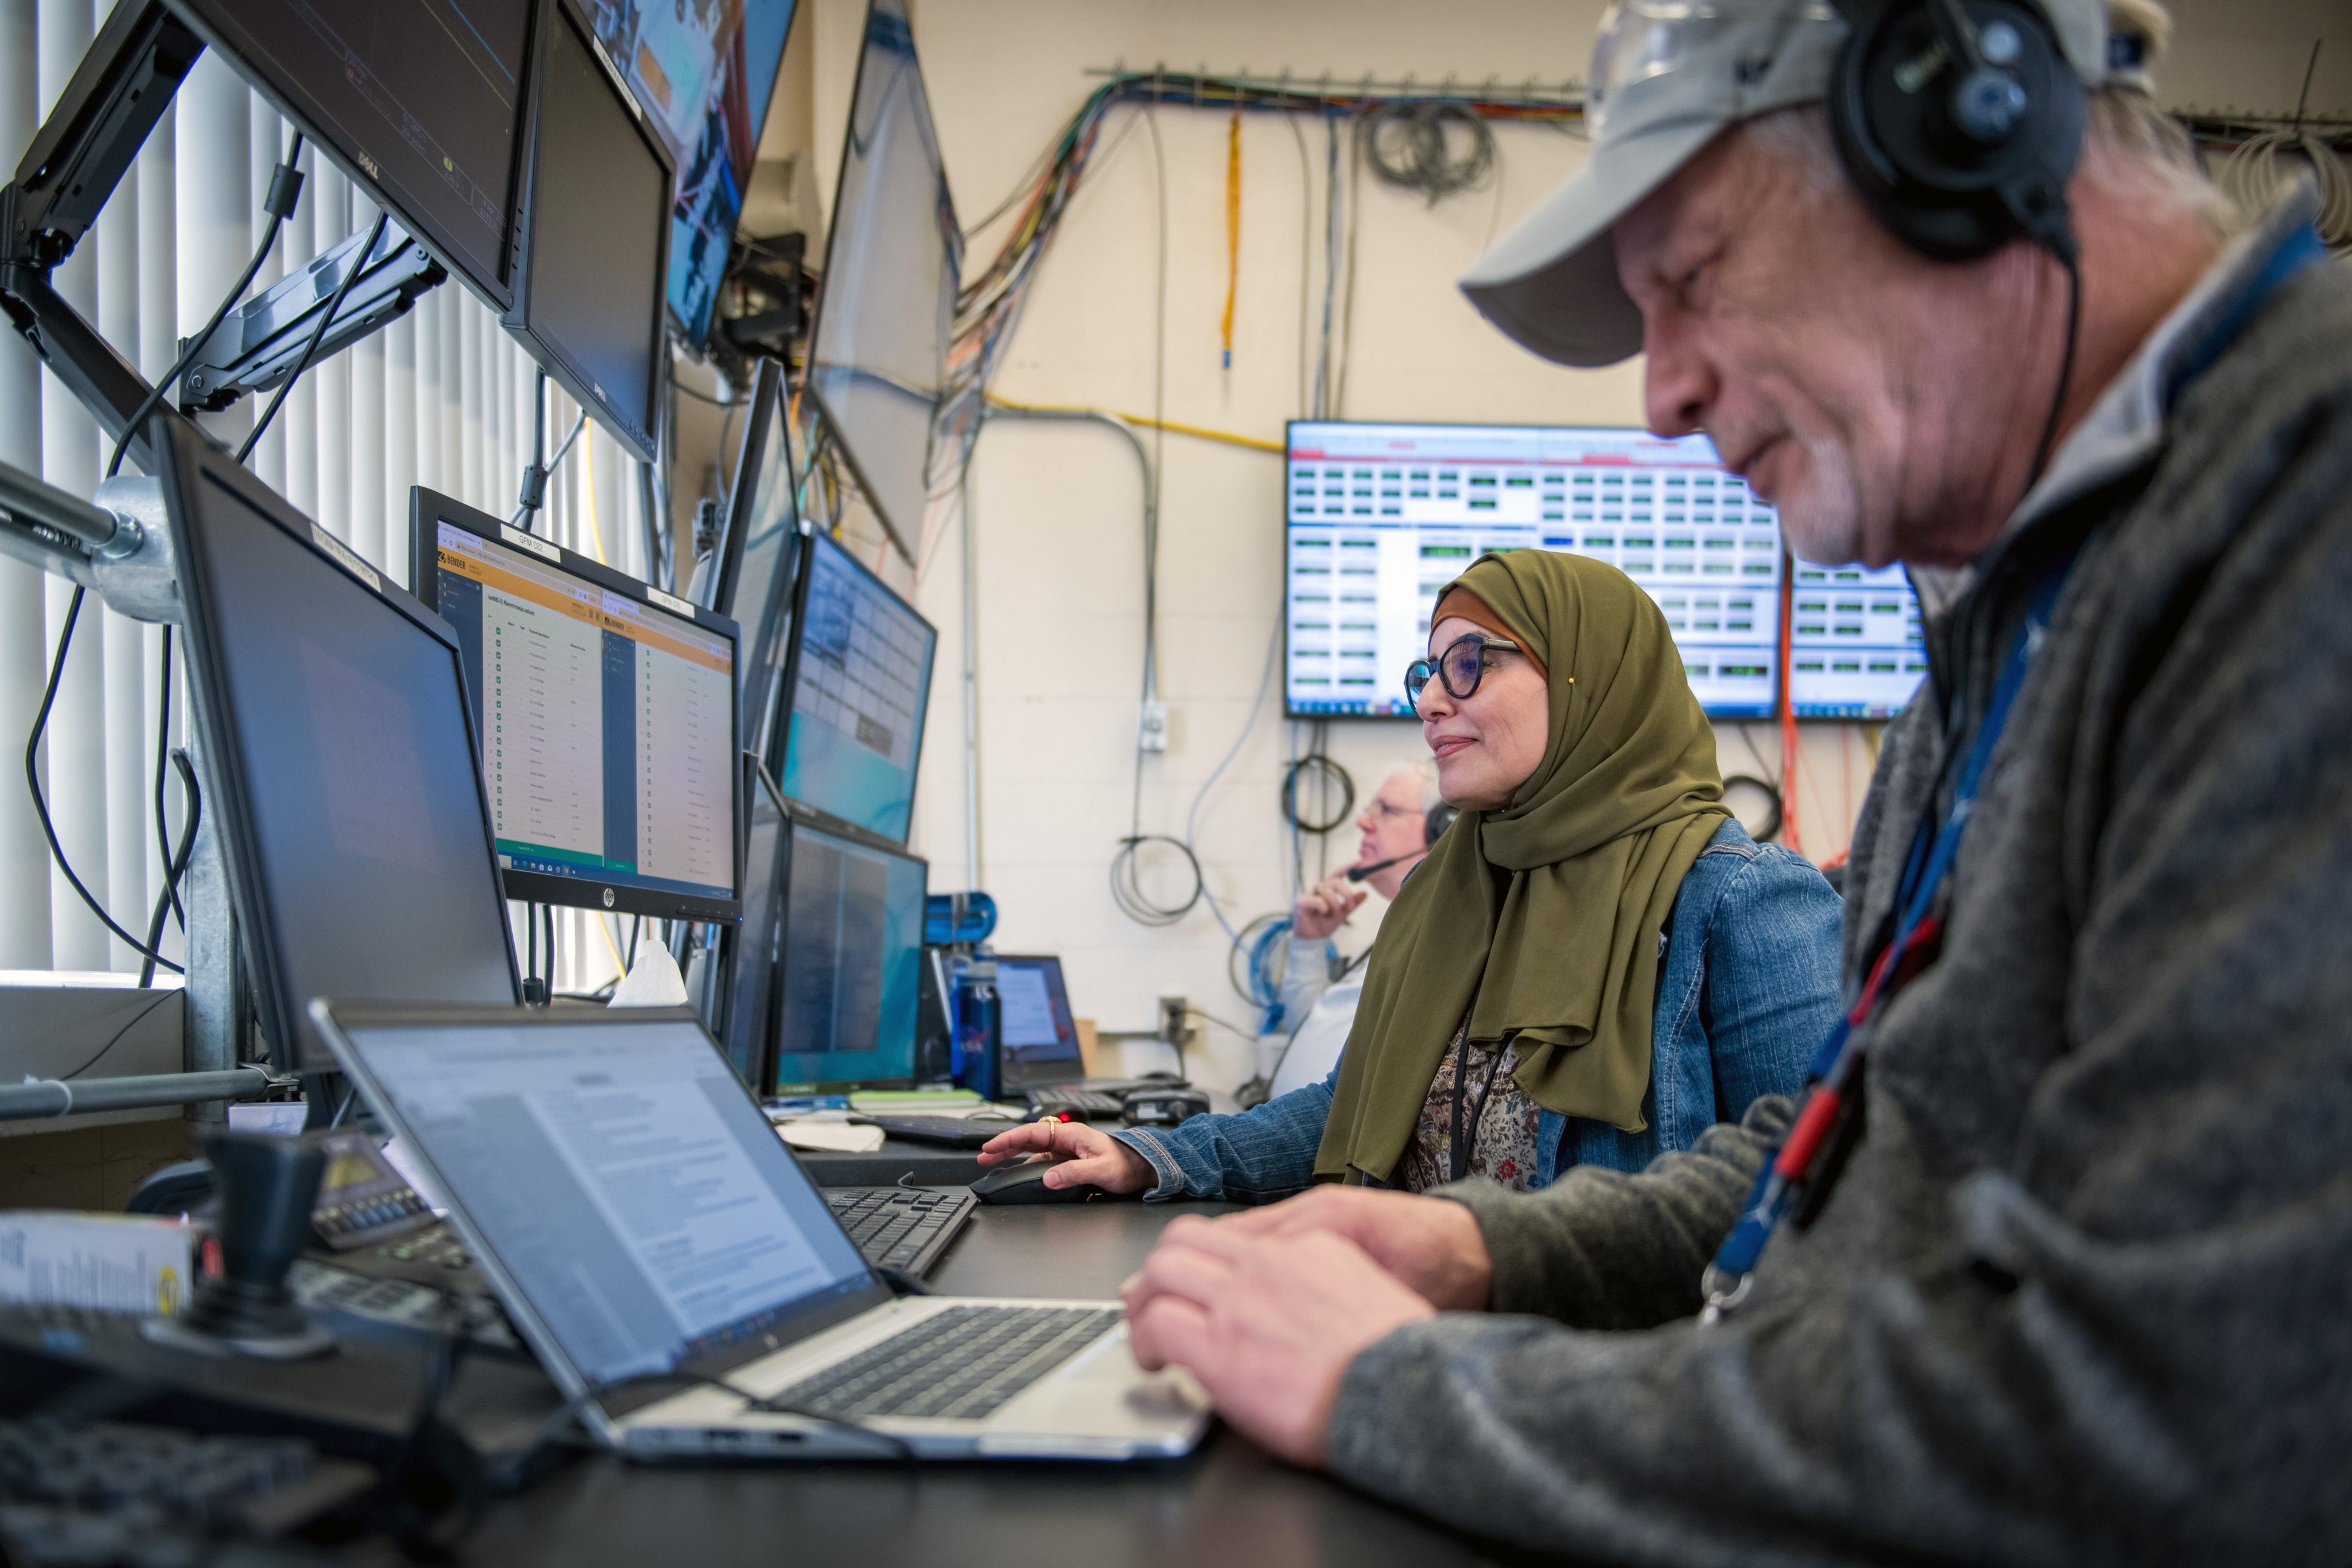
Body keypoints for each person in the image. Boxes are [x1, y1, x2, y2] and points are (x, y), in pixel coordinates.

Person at [1117, 0, 2352, 1559]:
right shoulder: (2012, 632)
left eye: (1691, 281)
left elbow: (2172, 1417)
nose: (1663, 394)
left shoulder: (2298, 514)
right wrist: (1481, 1245)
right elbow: (1831, 1166)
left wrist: (1396, 1383)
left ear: (1961, 123)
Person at [979, 547, 1844, 1203]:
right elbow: (1356, 1105)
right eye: (1428, 673)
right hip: (1421, 1344)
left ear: (1587, 680)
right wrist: (1153, 1156)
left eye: (1470, 663)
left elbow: (1823, 1197)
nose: (1431, 699)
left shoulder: (1740, 898)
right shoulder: (1451, 890)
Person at [1262, 762, 1448, 1102]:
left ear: (1442, 829)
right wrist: (1309, 942)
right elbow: (1312, 1027)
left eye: (1387, 811)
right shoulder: (1399, 931)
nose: (1363, 822)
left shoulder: (1442, 942)